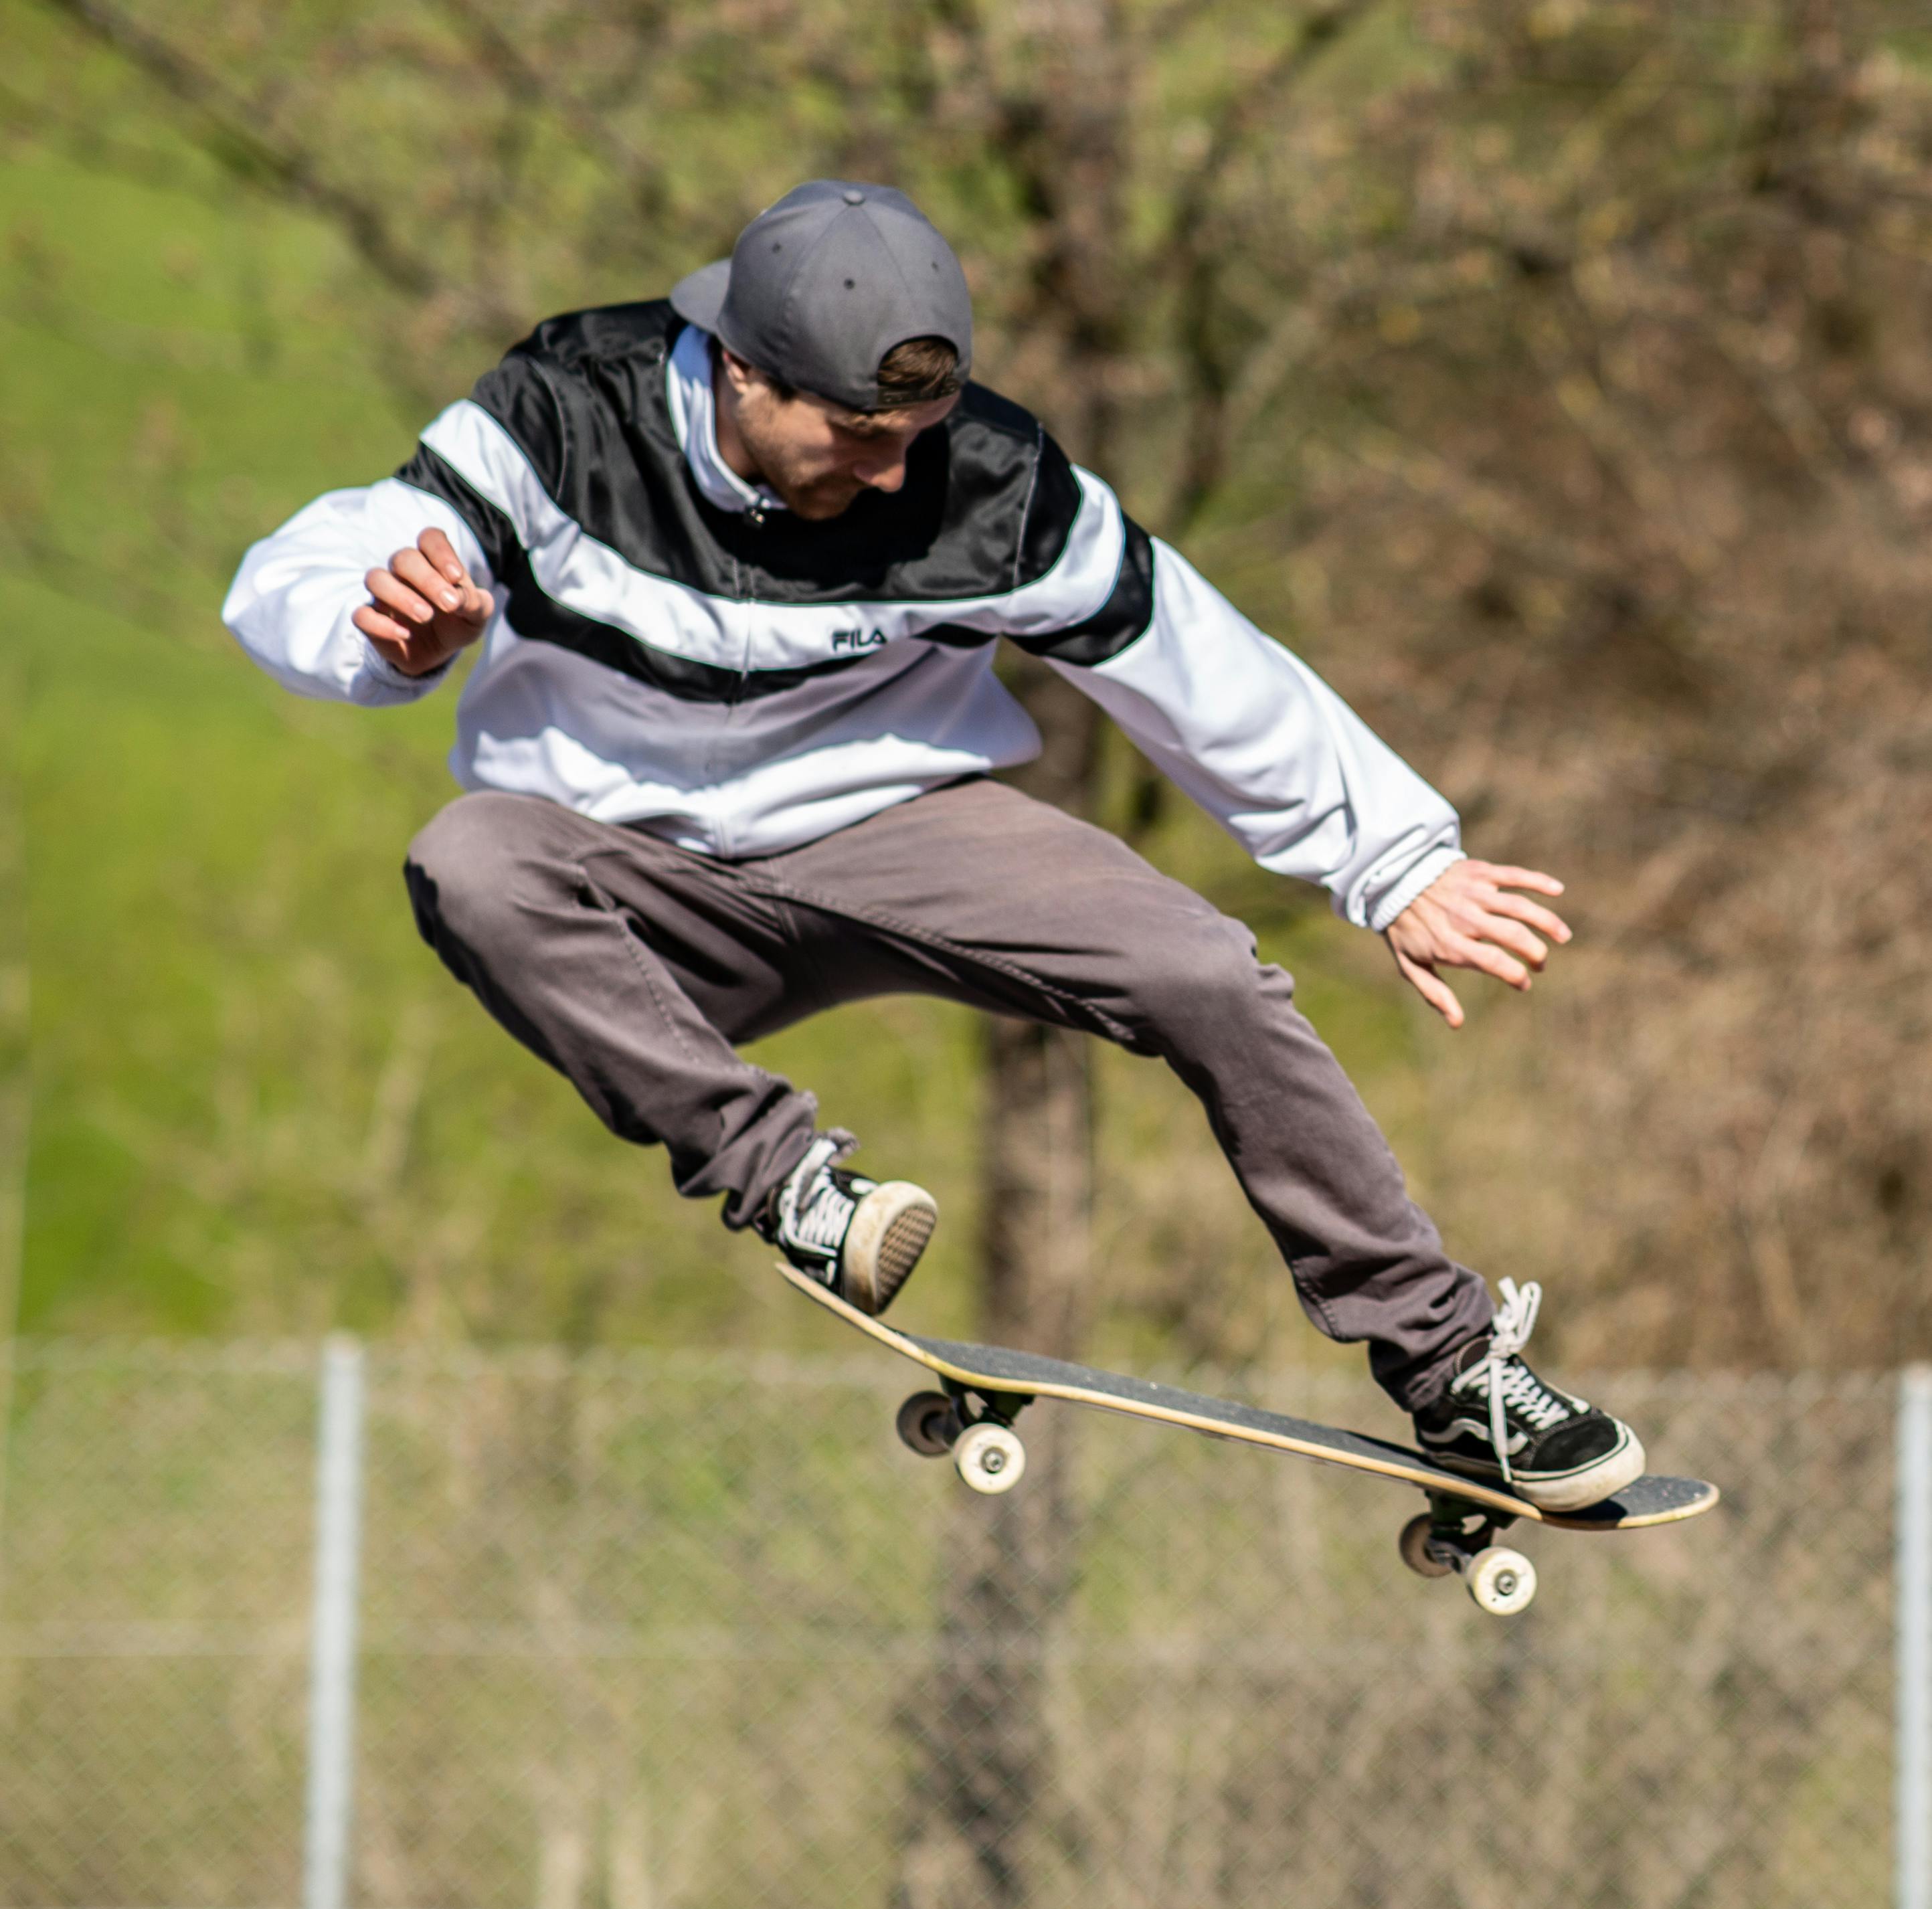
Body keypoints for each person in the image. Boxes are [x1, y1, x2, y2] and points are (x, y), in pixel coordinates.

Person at [222, 179, 1643, 1512]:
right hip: (624, 876)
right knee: (469, 856)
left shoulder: (987, 484)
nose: (891, 472)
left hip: (890, 828)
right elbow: (314, 561)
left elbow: (1201, 665)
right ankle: (791, 1184)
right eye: (853, 435)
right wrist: (377, 624)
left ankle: (1453, 1371)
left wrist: (1394, 859)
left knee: (1205, 974)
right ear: (738, 370)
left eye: (912, 437)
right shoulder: (563, 412)